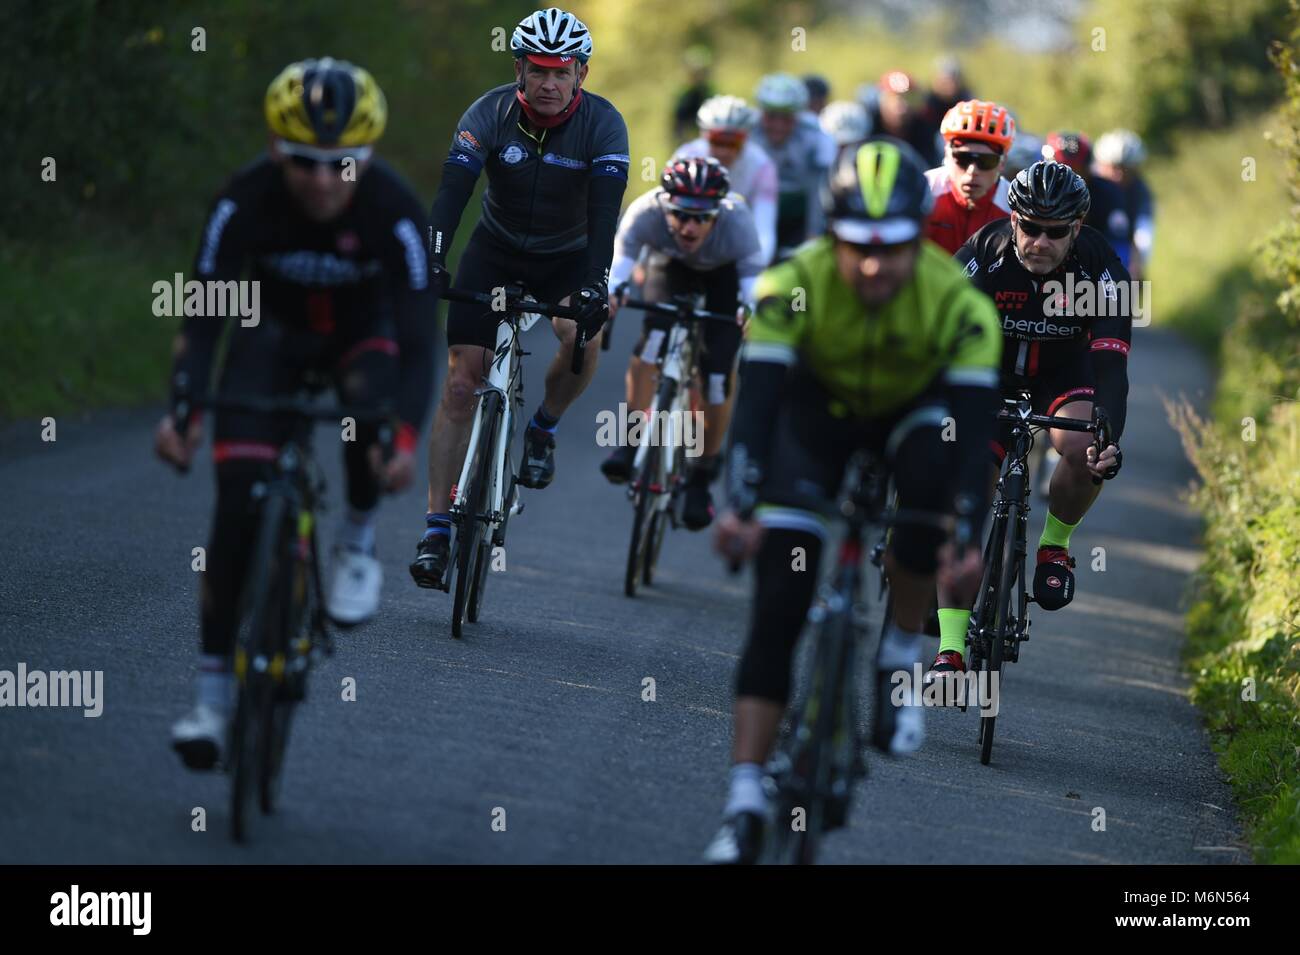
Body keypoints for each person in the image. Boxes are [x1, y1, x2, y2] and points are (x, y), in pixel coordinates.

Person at [703, 138, 1002, 863]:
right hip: (816, 423)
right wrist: (740, 504)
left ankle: (898, 653)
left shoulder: (959, 305)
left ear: (916, 237)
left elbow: (973, 447)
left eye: (893, 248)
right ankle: (744, 800)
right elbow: (757, 409)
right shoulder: (789, 285)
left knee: (932, 476)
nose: (873, 265)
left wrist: (966, 543)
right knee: (780, 598)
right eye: (856, 246)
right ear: (831, 234)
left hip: (915, 418)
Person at [156, 58, 436, 768]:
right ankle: (212, 703)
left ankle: (359, 538)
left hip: (361, 334)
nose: (321, 179)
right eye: (305, 162)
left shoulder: (395, 208)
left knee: (366, 422)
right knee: (235, 508)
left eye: (341, 164)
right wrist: (185, 407)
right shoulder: (244, 199)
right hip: (270, 332)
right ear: (278, 150)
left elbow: (417, 337)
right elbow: (205, 310)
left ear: (365, 156)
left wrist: (403, 438)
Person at [410, 7, 629, 588]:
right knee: (462, 382)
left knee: (583, 336)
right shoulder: (488, 113)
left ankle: (543, 429)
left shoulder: (605, 126)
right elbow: (452, 194)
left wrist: (595, 284)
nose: (550, 83)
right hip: (496, 249)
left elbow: (605, 217)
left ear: (582, 73)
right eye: (539, 71)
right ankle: (436, 530)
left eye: (563, 72)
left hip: (568, 257)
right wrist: (432, 258)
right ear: (519, 70)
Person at [930, 160, 1130, 677]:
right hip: (987, 373)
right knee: (964, 489)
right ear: (1013, 220)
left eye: (1055, 232)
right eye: (1030, 227)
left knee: (1086, 444)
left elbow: (1112, 370)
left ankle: (1055, 546)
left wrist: (1108, 440)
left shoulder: (1103, 269)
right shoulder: (981, 255)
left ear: (1077, 230)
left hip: (1064, 374)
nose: (1040, 241)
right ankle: (950, 647)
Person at [600, 157, 764, 528]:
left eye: (702, 218)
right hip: (669, 268)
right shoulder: (645, 212)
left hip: (724, 278)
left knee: (718, 378)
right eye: (680, 215)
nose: (690, 227)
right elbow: (619, 266)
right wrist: (611, 296)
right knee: (654, 339)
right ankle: (630, 437)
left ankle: (700, 475)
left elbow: (754, 285)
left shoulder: (737, 221)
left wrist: (750, 311)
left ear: (717, 213)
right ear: (664, 205)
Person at [676, 94, 778, 265]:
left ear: (746, 139)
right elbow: (664, 215)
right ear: (704, 135)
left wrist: (756, 267)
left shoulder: (763, 166)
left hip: (735, 245)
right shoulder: (686, 156)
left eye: (733, 144)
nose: (724, 151)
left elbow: (764, 229)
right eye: (717, 142)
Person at [751, 73, 837, 259]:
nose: (778, 125)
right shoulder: (747, 131)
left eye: (786, 118)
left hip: (799, 214)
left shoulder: (815, 137)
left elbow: (818, 189)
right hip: (756, 210)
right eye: (771, 116)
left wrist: (813, 236)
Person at [923, 99, 1015, 254]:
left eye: (986, 161)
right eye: (963, 158)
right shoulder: (924, 191)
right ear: (947, 155)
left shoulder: (1014, 207)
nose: (972, 170)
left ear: (1002, 162)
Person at [1042, 130, 1133, 270]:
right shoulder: (1034, 190)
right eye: (1061, 171)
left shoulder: (1108, 193)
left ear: (1088, 170)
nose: (1069, 179)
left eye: (1077, 171)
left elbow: (1118, 245)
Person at [1094, 129, 1154, 280]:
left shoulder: (1139, 191)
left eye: (1126, 169)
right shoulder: (1088, 185)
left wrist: (1137, 266)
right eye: (1113, 167)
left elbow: (1143, 232)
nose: (1119, 175)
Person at [869, 70, 942, 167]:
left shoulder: (925, 131)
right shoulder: (868, 127)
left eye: (908, 98)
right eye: (894, 98)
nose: (902, 106)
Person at [671, 45, 715, 144]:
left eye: (701, 72)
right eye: (695, 73)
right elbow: (678, 124)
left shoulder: (711, 92)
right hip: (689, 142)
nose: (698, 76)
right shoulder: (683, 94)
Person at [921, 55, 971, 130]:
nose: (947, 86)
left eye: (951, 81)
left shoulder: (967, 107)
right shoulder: (925, 107)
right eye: (943, 81)